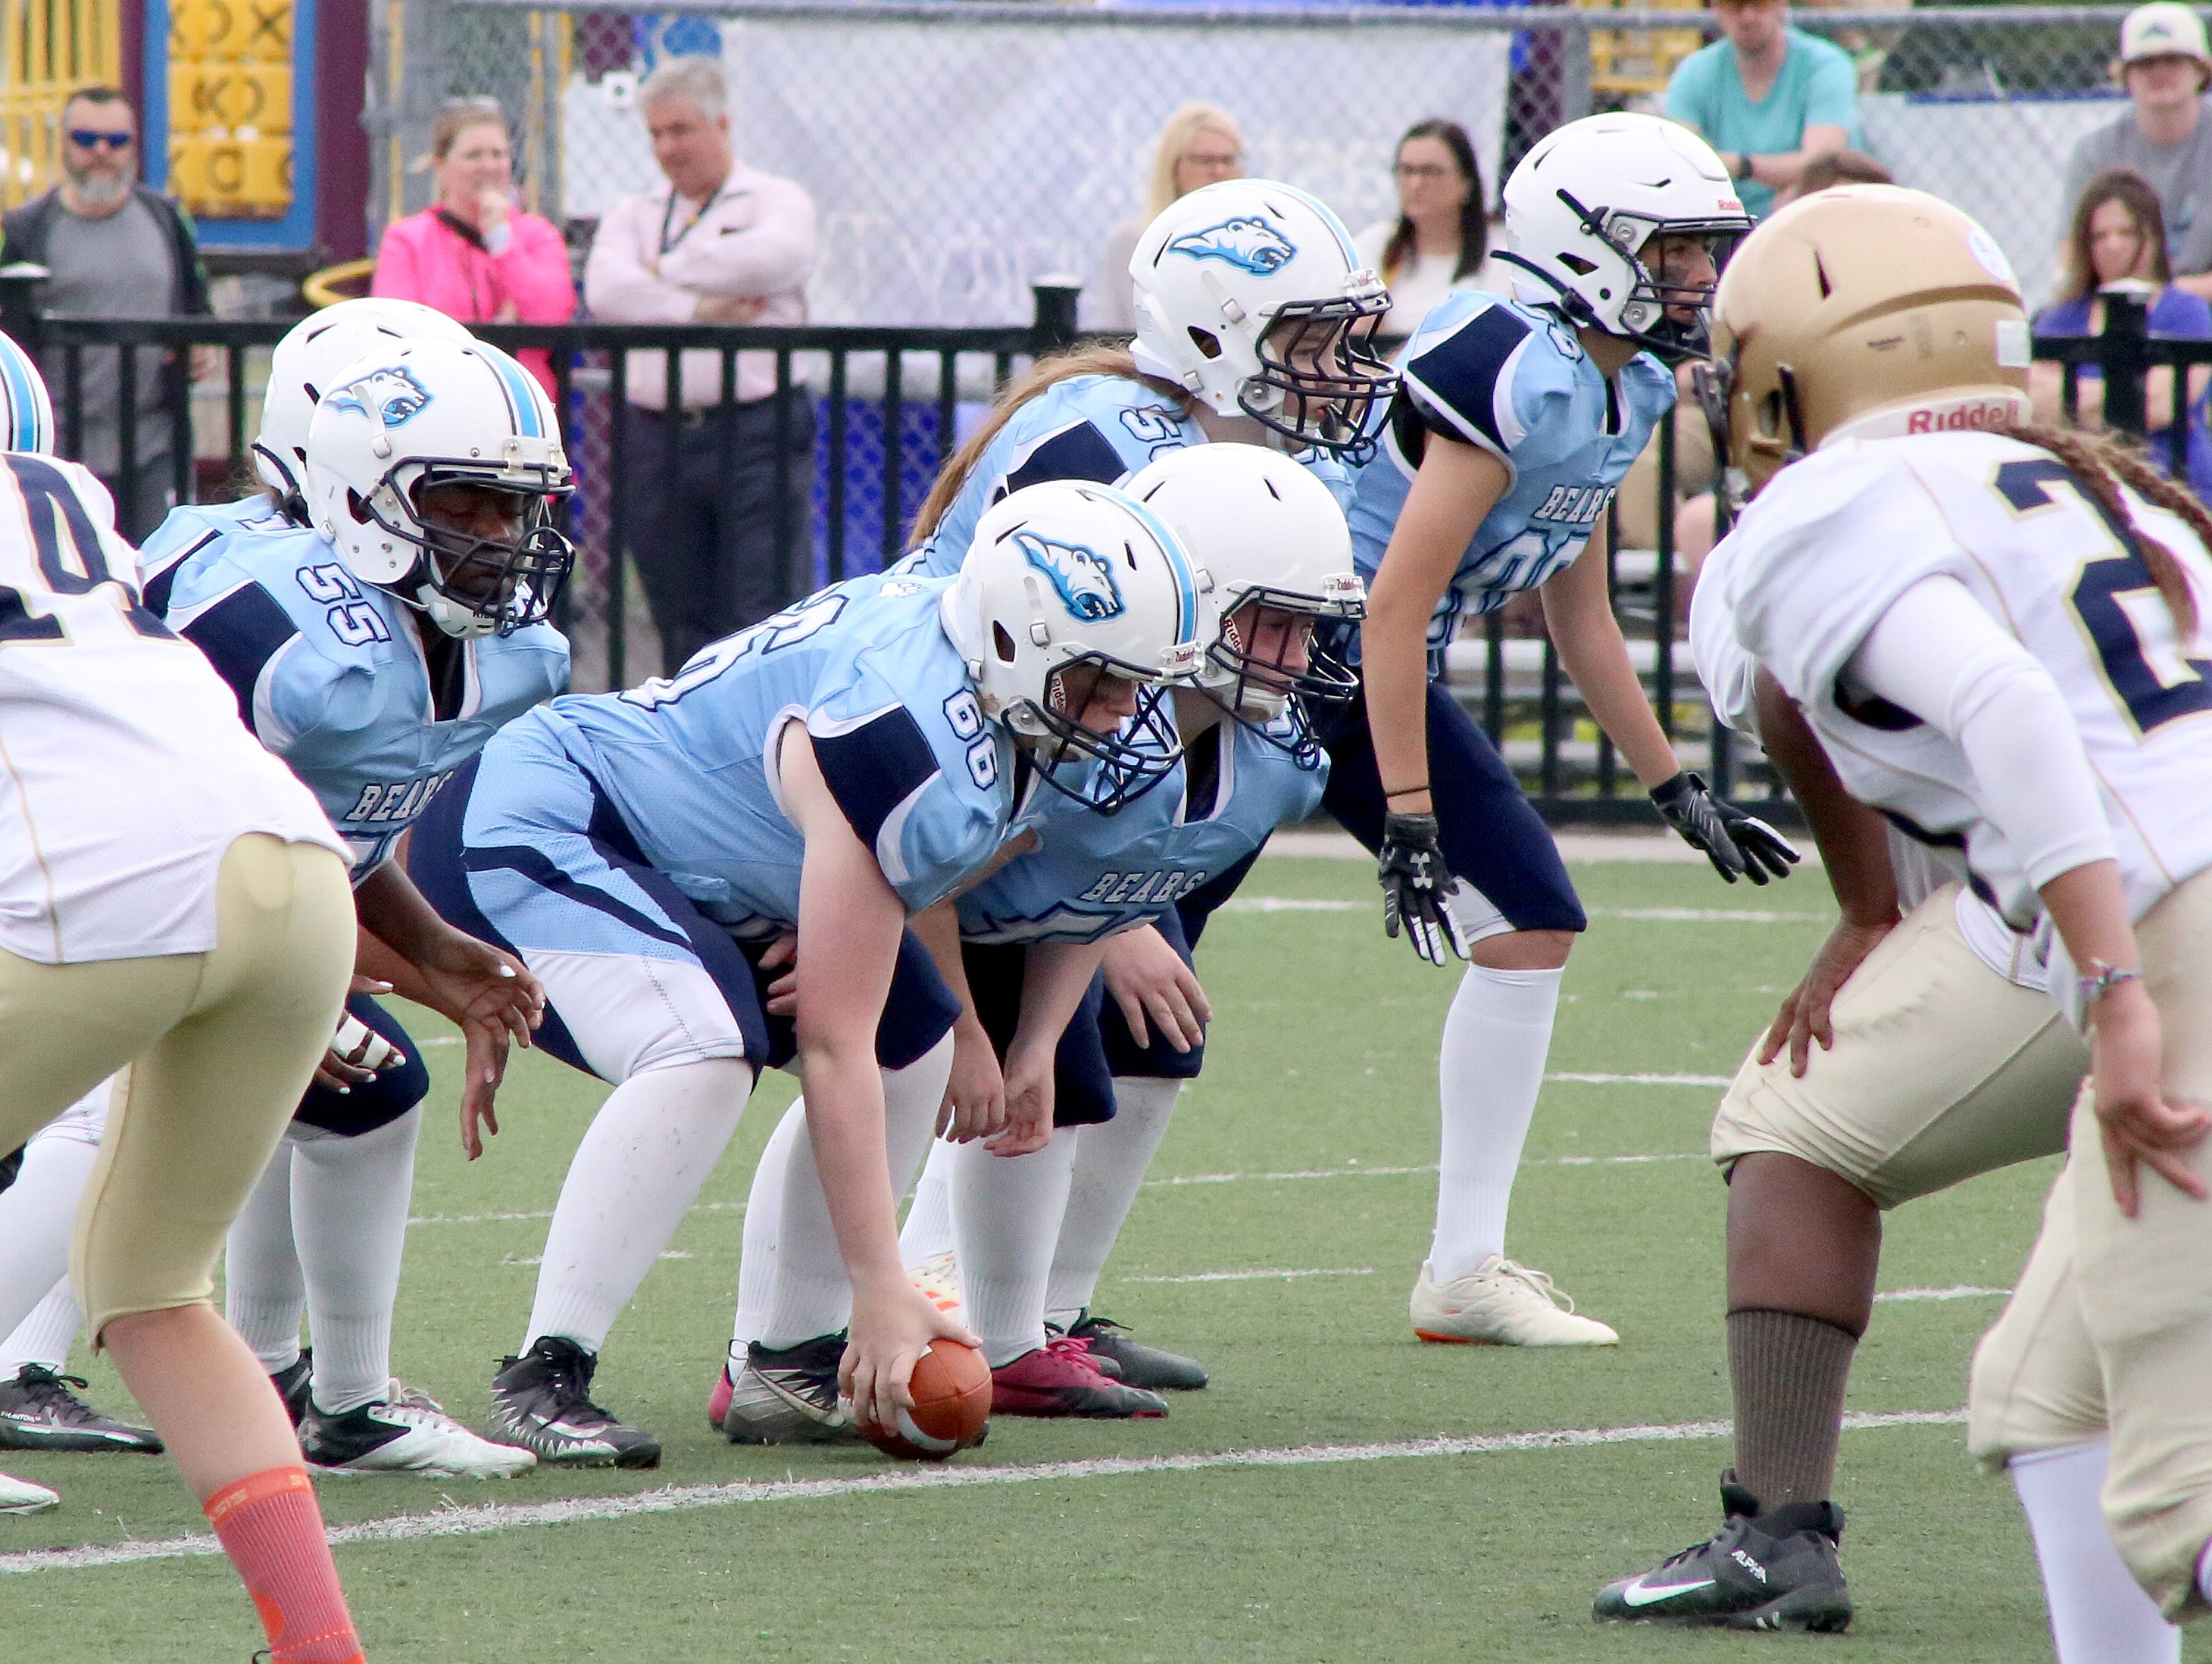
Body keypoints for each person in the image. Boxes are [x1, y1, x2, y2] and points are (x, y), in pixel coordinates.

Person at [1604, 182, 2212, 1647]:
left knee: (2187, 1498)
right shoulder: (2109, 486)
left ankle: (1779, 1535)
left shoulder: (1820, 509)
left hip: (2169, 930)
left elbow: (1999, 701)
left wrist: (2121, 988)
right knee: (2041, 1398)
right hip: (2131, 911)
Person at [405, 479, 1211, 1465]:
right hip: (554, 811)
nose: (1124, 712)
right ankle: (546, 1368)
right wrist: (884, 1279)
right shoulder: (903, 735)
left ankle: (786, 1358)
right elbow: (831, 1043)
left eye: (1139, 683)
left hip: (695, 861)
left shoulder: (979, 665)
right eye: (1098, 680)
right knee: (703, 1045)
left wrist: (822, 902)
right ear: (1013, 641)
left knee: (913, 1040)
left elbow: (930, 884)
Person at [0, 298, 483, 1467]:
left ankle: (321, 1389)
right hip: (196, 900)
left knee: (357, 1096)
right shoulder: (225, 584)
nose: (494, 534)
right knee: (143, 1236)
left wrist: (414, 952)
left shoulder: (371, 615)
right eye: (461, 499)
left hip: (125, 889)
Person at [1338, 111, 1795, 1350]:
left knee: (1532, 920)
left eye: (1704, 251)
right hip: (1286, 651)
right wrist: (1410, 815)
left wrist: (1673, 785)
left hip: (1360, 658)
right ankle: (963, 1266)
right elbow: (1390, 601)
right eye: (1673, 249)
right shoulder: (1513, 359)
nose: (1697, 277)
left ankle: (1462, 1269)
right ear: (1583, 244)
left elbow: (1575, 602)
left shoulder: (1624, 376)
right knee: (1112, 940)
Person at [0, 332, 371, 1663]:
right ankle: (319, 1647)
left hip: (107, 893)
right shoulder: (67, 500)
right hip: (295, 871)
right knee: (155, 1286)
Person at [876, 445, 1364, 1419]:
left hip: (997, 920)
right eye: (1274, 622)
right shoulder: (1069, 714)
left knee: (1070, 1073)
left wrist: (1038, 1042)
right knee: (878, 1071)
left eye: (1308, 626)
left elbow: (1096, 882)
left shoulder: (1262, 753)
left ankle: (1019, 1331)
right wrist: (972, 1036)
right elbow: (922, 876)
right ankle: (791, 1335)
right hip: (863, 891)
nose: (1300, 657)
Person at [583, 54, 817, 674]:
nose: (666, 147)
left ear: (723, 123)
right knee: (676, 610)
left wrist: (663, 271)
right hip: (657, 436)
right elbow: (606, 290)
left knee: (761, 604)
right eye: (655, 134)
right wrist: (701, 305)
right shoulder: (635, 211)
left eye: (680, 130)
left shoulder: (777, 199)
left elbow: (778, 258)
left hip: (756, 431)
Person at [0, 84, 211, 541]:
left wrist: (199, 349)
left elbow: (199, 311)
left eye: (117, 141)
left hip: (154, 445)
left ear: (135, 146)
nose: (101, 152)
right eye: (86, 139)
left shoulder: (168, 219)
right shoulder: (24, 229)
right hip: (54, 448)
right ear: (64, 144)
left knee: (155, 577)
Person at [372, 98, 578, 398]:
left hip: (520, 399)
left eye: (499, 154)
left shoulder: (537, 234)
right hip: (439, 398)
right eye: (473, 156)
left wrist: (501, 240)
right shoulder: (407, 239)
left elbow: (552, 315)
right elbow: (398, 333)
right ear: (441, 166)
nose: (489, 166)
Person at [2032, 169, 2212, 501]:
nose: (2113, 245)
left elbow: (2159, 405)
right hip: (2086, 490)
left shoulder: (2188, 313)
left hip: (2180, 486)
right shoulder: (2060, 317)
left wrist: (2072, 400)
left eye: (2127, 232)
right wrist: (2129, 392)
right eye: (2099, 236)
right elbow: (2038, 406)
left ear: (2154, 237)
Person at [2059, 2, 2212, 301]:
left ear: (2201, 71)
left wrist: (2165, 295)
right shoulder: (2096, 153)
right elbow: (2070, 259)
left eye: (2173, 60)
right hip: (2119, 312)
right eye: (2145, 63)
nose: (2159, 72)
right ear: (2126, 77)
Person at [1664, 0, 1863, 220]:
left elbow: (1822, 165)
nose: (1748, 16)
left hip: (1809, 215)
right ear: (1715, 7)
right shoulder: (1694, 72)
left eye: (1760, 3)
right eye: (1734, 5)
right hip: (1725, 222)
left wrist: (1741, 165)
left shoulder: (1826, 64)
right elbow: (1683, 164)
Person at [1095, 102, 1245, 335]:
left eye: (1228, 160)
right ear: (1173, 167)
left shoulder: (1251, 246)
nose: (1219, 172)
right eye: (1205, 160)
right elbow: (1115, 334)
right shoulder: (1134, 244)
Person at [1354, 120, 1504, 339]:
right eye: (1407, 170)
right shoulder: (1377, 244)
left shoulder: (1500, 252)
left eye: (1431, 171)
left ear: (1467, 183)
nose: (1415, 183)